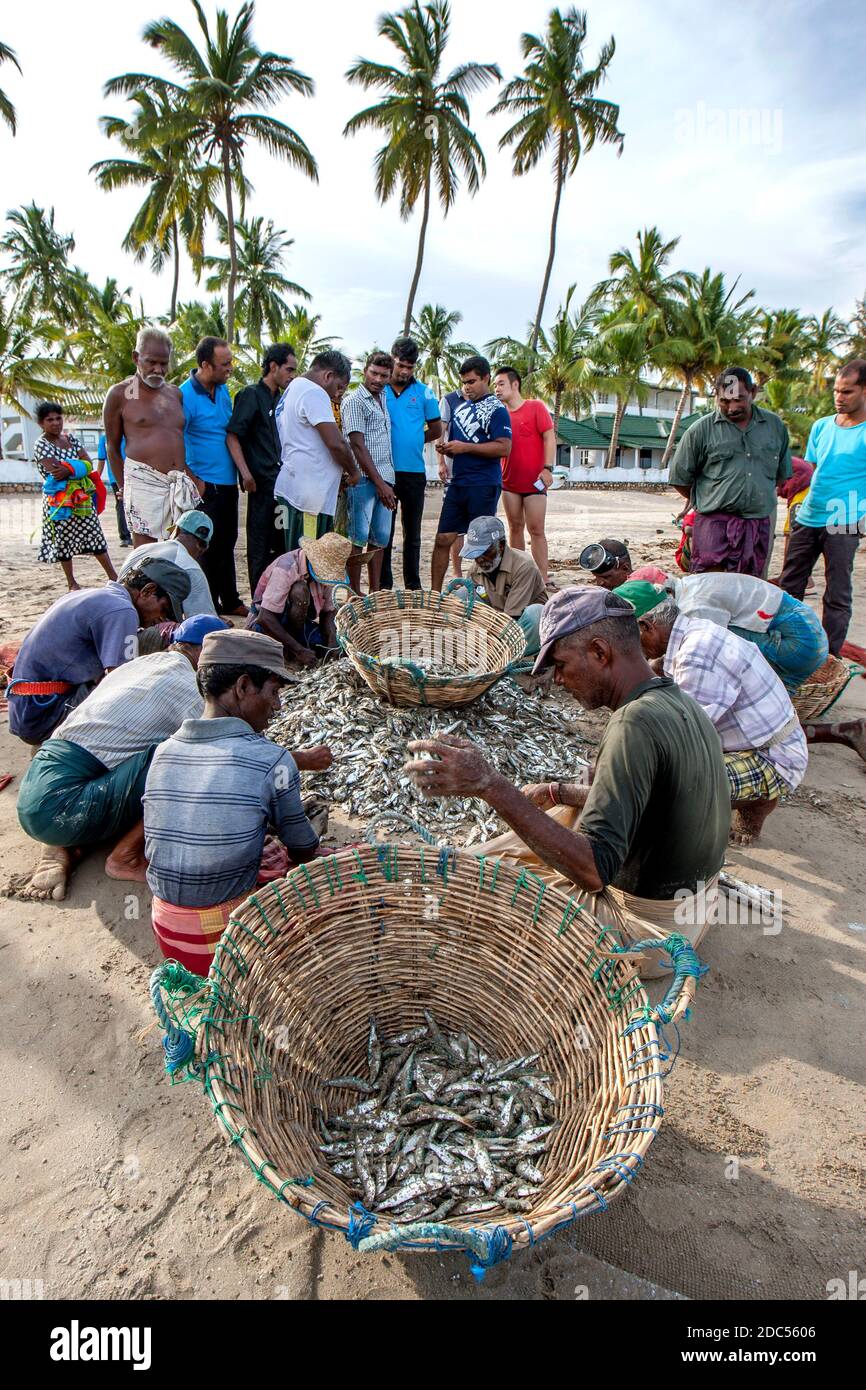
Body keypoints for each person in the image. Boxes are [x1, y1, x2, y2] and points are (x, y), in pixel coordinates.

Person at [404, 587, 731, 975]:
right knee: (550, 817)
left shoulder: (633, 724)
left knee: (469, 897)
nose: (557, 680)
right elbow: (639, 796)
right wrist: (556, 791)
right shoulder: (676, 699)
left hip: (650, 934)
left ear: (599, 652)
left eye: (560, 664)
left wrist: (489, 784)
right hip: (696, 908)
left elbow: (594, 872)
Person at [144, 629, 329, 972]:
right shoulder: (271, 759)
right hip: (225, 944)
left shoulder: (163, 751)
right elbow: (303, 850)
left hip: (168, 934)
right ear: (243, 687)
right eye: (273, 692)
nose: (277, 705)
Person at [9, 614, 226, 903]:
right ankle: (125, 857)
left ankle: (65, 844)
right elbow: (218, 744)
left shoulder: (140, 664)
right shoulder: (186, 683)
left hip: (36, 785)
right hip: (64, 804)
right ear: (204, 653)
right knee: (187, 756)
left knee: (136, 754)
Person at [638, 598, 808, 845]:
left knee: (666, 784)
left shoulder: (697, 653)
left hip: (773, 757)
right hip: (761, 741)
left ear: (647, 626)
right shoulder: (693, 631)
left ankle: (757, 799)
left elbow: (684, 733)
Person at [7, 557, 191, 747]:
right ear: (148, 591)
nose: (161, 619)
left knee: (142, 647)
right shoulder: (122, 610)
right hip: (44, 715)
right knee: (135, 707)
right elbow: (123, 685)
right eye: (164, 609)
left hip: (26, 706)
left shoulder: (95, 595)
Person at [669, 366, 791, 576]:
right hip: (713, 525)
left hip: (758, 523)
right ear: (715, 396)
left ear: (753, 392)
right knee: (709, 590)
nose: (732, 408)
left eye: (739, 399)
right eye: (725, 401)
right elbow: (680, 479)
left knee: (751, 589)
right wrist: (712, 499)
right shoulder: (700, 430)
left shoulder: (774, 426)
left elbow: (780, 476)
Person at [779, 360, 866, 655]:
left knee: (837, 594)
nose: (839, 397)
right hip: (809, 515)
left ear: (864, 391)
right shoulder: (821, 426)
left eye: (847, 391)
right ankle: (786, 648)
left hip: (846, 519)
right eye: (836, 391)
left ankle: (828, 657)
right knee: (790, 587)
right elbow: (811, 472)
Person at [103, 326, 201, 546]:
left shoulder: (175, 393)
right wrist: (123, 488)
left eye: (163, 363)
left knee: (179, 551)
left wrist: (193, 477)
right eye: (151, 362)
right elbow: (112, 446)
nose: (158, 369)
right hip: (142, 485)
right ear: (136, 358)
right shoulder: (120, 394)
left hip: (178, 485)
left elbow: (176, 438)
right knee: (146, 557)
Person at [432, 356, 512, 591]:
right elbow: (460, 445)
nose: (467, 387)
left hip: (484, 484)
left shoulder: (497, 409)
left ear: (486, 378)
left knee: (484, 543)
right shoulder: (461, 408)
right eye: (464, 382)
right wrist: (447, 449)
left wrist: (465, 447)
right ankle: (434, 596)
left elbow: (504, 447)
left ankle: (488, 594)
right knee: (442, 538)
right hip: (459, 483)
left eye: (472, 381)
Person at [180, 336, 247, 617]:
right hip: (204, 484)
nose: (230, 368)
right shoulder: (184, 394)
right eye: (225, 364)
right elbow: (175, 437)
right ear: (205, 365)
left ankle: (230, 600)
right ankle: (208, 606)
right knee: (204, 545)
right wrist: (192, 477)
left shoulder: (222, 392)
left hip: (228, 482)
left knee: (227, 541)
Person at [671, 571, 828, 690]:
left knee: (708, 641)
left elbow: (710, 649)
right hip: (815, 639)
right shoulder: (690, 583)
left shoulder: (693, 606)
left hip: (800, 646)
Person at [226, 342, 298, 594]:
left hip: (283, 487)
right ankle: (258, 603)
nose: (292, 376)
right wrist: (245, 474)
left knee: (282, 543)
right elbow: (233, 436)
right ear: (273, 366)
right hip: (260, 484)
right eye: (289, 370)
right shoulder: (250, 395)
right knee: (258, 544)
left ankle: (277, 598)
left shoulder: (282, 400)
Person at [274, 350, 360, 552]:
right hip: (308, 499)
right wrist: (354, 472)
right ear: (328, 376)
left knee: (292, 557)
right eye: (339, 387)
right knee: (308, 562)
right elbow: (336, 443)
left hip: (292, 490)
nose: (337, 395)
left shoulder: (292, 389)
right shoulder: (314, 392)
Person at [381, 337, 442, 590]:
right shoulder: (379, 389)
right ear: (392, 359)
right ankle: (384, 584)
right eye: (401, 365)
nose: (405, 371)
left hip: (414, 473)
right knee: (384, 534)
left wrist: (416, 439)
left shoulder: (424, 392)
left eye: (410, 366)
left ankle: (413, 585)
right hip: (385, 472)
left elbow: (436, 429)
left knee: (412, 535)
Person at [34, 403, 116, 590]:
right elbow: (54, 472)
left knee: (94, 535)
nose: (55, 423)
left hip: (82, 498)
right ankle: (71, 582)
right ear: (41, 423)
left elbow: (88, 463)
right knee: (64, 541)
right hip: (60, 501)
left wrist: (69, 468)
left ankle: (113, 575)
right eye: (50, 420)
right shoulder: (41, 444)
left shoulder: (70, 438)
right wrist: (77, 468)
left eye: (58, 418)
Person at [247, 531, 350, 666]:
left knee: (329, 644)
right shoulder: (286, 568)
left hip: (299, 624)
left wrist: (331, 643)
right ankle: (290, 652)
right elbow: (264, 618)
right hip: (268, 624)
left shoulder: (329, 575)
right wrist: (298, 650)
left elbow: (328, 612)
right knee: (299, 591)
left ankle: (297, 646)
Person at [493, 366, 555, 583]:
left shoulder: (536, 407)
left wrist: (548, 468)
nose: (497, 389)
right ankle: (520, 576)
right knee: (515, 528)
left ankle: (543, 578)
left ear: (515, 384)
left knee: (537, 529)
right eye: (495, 385)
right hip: (508, 482)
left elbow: (549, 437)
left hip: (535, 482)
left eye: (501, 384)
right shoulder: (499, 414)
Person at [342, 352, 398, 593]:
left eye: (384, 375)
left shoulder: (383, 397)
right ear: (365, 370)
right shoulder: (355, 401)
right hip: (364, 479)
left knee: (380, 539)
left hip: (385, 476)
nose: (378, 379)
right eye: (374, 373)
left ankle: (374, 593)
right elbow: (357, 445)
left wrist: (385, 483)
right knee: (358, 538)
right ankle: (355, 593)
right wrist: (380, 484)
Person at [460, 515, 547, 656]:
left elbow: (512, 617)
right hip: (497, 622)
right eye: (475, 553)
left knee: (537, 613)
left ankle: (503, 654)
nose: (480, 559)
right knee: (462, 594)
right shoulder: (475, 570)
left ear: (501, 545)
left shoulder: (524, 566)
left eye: (485, 552)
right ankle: (494, 652)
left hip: (521, 623)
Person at [117, 510, 217, 618]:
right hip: (136, 625)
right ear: (203, 549)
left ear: (176, 531)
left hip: (117, 608)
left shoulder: (142, 549)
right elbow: (202, 623)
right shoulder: (191, 568)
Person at [96, 431, 132, 546]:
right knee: (125, 504)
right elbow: (101, 460)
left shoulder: (105, 438)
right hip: (124, 476)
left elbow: (101, 461)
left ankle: (125, 537)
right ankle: (126, 536)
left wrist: (96, 479)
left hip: (118, 476)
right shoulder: (129, 435)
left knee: (121, 505)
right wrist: (95, 480)